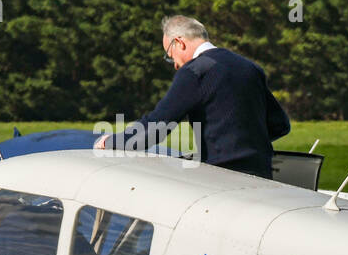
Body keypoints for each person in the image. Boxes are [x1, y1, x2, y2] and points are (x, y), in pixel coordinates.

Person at [96, 15, 291, 177]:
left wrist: (112, 142)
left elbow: (156, 127)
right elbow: (280, 125)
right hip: (263, 176)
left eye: (169, 55)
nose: (174, 64)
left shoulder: (196, 71)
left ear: (179, 42)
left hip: (223, 181)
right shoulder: (249, 67)